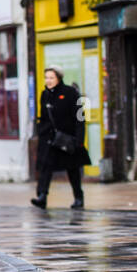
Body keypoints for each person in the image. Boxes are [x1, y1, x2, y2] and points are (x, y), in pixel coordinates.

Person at [32, 67, 89, 210]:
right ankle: (42, 196)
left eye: (51, 78)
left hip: (67, 138)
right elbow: (43, 117)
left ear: (59, 78)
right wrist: (41, 132)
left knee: (72, 169)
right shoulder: (44, 95)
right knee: (46, 167)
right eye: (46, 78)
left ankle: (78, 197)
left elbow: (80, 117)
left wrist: (79, 139)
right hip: (50, 138)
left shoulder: (71, 93)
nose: (48, 81)